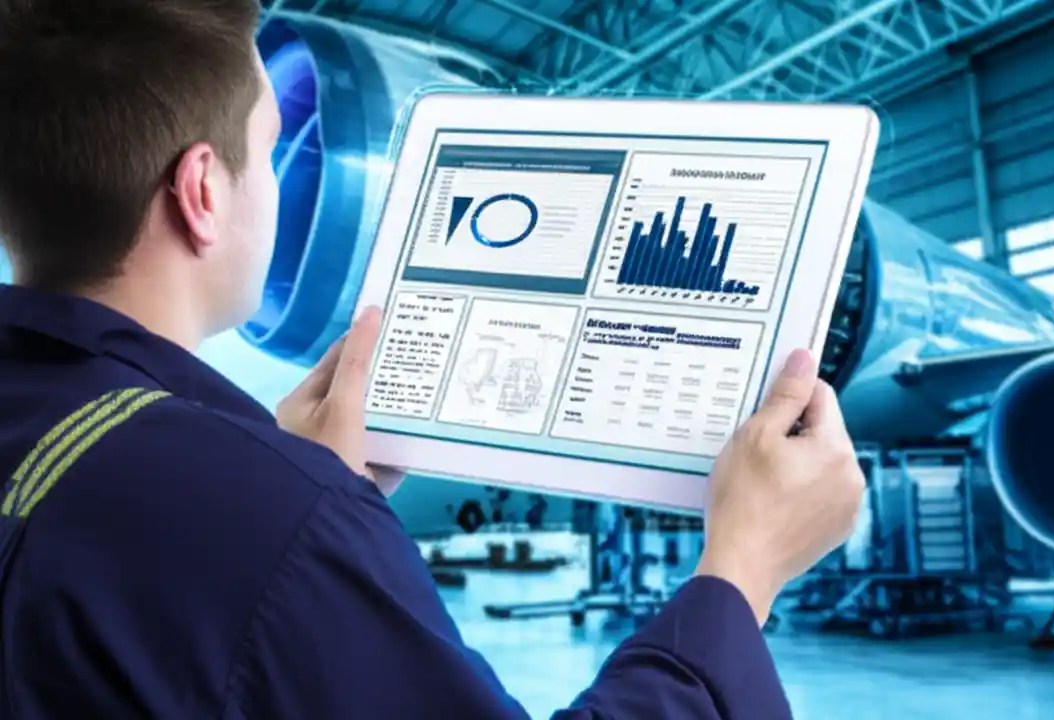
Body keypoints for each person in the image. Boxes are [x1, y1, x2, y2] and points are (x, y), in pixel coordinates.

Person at [0, 1, 865, 717]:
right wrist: (742, 573)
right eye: (268, 149)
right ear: (201, 193)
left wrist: (299, 492)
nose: (274, 175)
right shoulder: (269, 523)